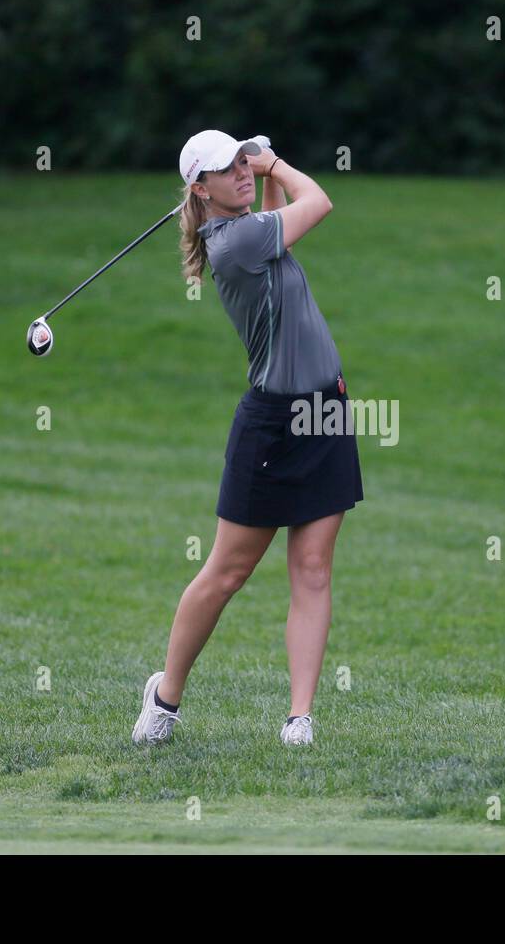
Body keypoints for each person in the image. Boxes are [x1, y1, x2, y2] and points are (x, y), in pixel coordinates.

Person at [132, 130, 363, 747]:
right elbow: (317, 202)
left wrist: (254, 172)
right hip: (272, 424)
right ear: (199, 190)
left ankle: (299, 718)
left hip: (327, 411)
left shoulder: (249, 229)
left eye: (241, 161)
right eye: (225, 168)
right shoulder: (231, 244)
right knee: (227, 573)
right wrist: (276, 163)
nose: (240, 171)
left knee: (313, 569)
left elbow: (268, 215)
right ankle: (165, 696)